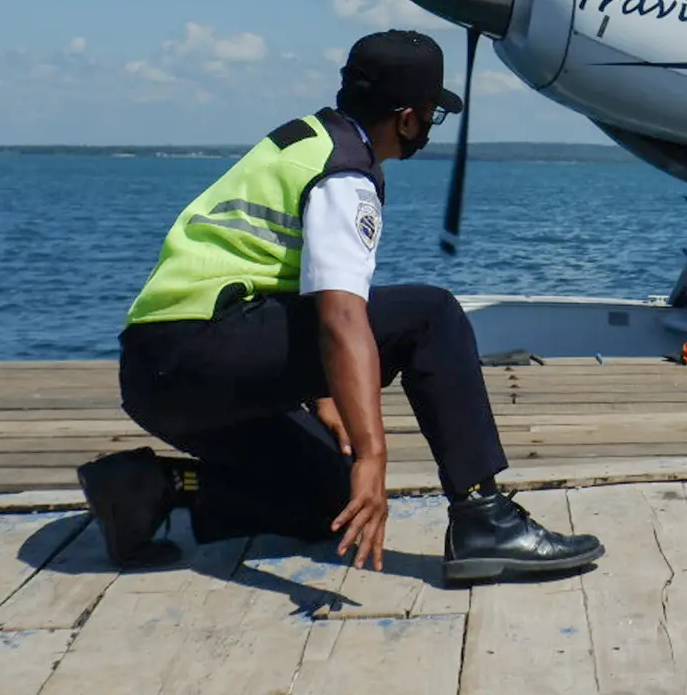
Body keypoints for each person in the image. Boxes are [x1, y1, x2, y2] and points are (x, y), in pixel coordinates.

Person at [76, 29, 603, 582]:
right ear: (407, 118)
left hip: (154, 372)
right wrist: (374, 458)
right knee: (432, 316)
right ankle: (483, 516)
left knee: (332, 501)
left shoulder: (305, 140)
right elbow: (341, 316)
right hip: (203, 353)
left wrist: (321, 391)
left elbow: (279, 283)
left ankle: (148, 487)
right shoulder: (345, 174)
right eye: (430, 113)